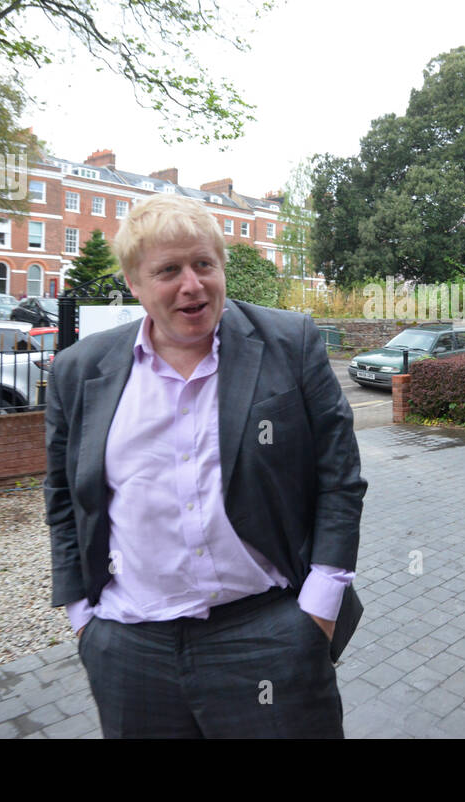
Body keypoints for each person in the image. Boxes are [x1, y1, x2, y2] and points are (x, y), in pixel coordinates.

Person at [44, 194, 366, 738]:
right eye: (168, 270)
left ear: (221, 267)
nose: (191, 284)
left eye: (203, 264)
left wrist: (319, 608)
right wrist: (82, 617)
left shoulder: (289, 343)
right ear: (134, 283)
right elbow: (61, 496)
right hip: (130, 648)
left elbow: (339, 478)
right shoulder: (80, 371)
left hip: (269, 633)